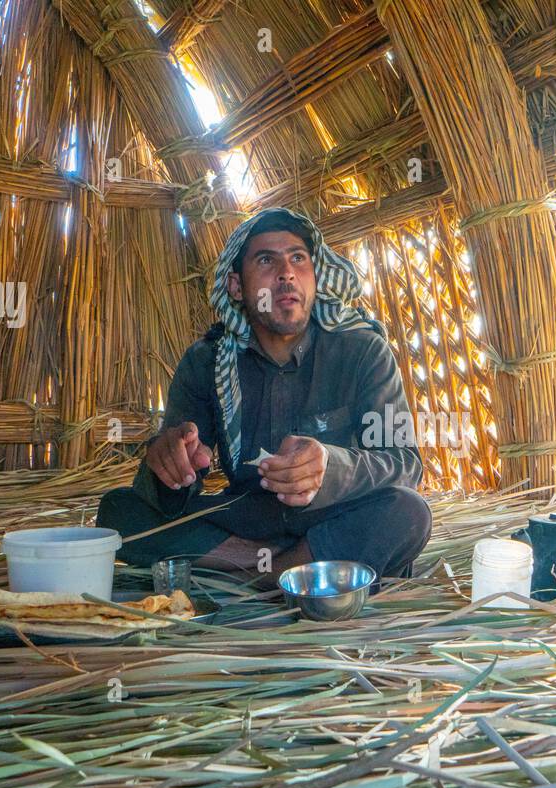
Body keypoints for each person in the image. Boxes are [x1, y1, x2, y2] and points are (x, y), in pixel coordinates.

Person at [97, 207, 433, 585]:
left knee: (408, 512)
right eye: (266, 260)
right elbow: (177, 482)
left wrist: (330, 466)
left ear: (315, 276)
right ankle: (283, 568)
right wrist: (170, 465)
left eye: (298, 259)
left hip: (333, 514)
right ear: (238, 287)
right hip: (247, 518)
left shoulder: (362, 351)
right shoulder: (208, 362)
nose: (286, 273)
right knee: (117, 513)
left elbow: (404, 463)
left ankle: (264, 575)